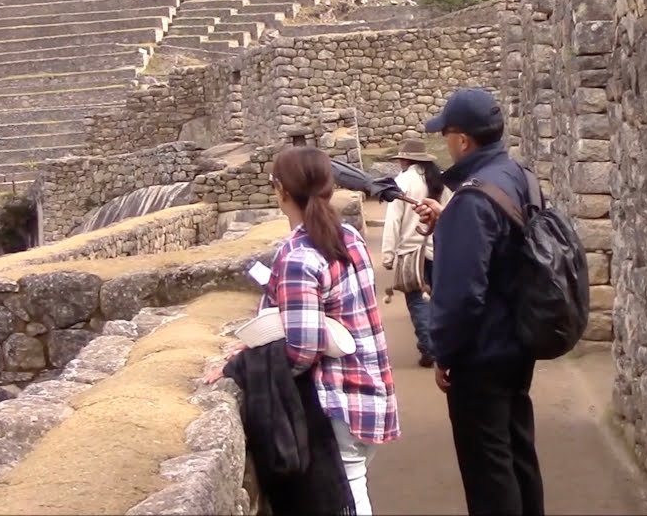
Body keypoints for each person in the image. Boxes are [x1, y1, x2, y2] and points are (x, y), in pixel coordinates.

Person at [207, 146, 399, 515]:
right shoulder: (349, 239)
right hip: (370, 387)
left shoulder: (298, 256)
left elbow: (303, 348)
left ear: (280, 190)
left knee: (345, 496)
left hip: (336, 399)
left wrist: (246, 363)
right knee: (354, 483)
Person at [413, 88, 545, 516]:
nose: (445, 143)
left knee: (489, 470)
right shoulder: (518, 175)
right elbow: (504, 249)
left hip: (481, 354)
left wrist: (443, 354)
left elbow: (461, 295)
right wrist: (448, 220)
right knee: (517, 452)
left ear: (463, 141)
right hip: (518, 340)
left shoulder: (471, 199)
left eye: (447, 134)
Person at [379, 139, 446, 368]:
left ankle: (429, 349)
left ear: (406, 160)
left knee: (418, 302)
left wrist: (388, 256)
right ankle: (443, 345)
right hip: (438, 251)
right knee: (439, 300)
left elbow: (393, 221)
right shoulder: (440, 181)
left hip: (410, 254)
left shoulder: (402, 182)